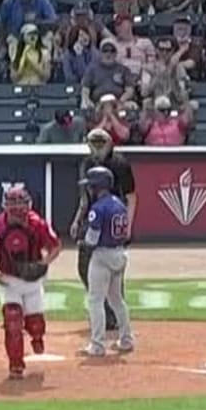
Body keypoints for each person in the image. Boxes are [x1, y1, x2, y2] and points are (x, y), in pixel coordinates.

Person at [0, 185, 63, 380]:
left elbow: (56, 246)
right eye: (13, 204)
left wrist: (44, 262)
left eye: (20, 204)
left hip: (33, 281)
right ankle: (16, 364)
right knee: (13, 321)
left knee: (35, 324)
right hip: (9, 280)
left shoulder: (38, 224)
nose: (18, 209)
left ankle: (37, 337)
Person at [71, 127, 135, 332]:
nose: (97, 148)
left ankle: (112, 316)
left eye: (101, 143)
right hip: (93, 216)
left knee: (113, 270)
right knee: (84, 267)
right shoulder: (87, 163)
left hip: (112, 218)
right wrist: (78, 219)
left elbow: (132, 196)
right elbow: (85, 196)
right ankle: (107, 313)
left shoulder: (120, 164)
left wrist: (128, 225)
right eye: (94, 143)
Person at [78, 166, 136, 357]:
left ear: (97, 186)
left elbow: (92, 239)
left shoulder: (98, 208)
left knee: (95, 300)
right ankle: (126, 339)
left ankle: (97, 345)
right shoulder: (119, 203)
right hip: (120, 254)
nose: (89, 189)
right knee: (116, 299)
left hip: (102, 256)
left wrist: (83, 240)